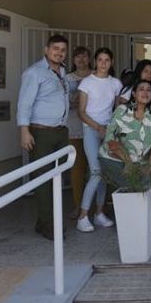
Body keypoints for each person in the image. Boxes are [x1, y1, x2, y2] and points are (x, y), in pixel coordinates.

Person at [17, 34, 71, 241]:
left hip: (60, 131)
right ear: (46, 50)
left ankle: (44, 221)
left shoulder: (62, 71)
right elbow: (24, 104)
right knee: (43, 179)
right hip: (41, 132)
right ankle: (49, 225)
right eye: (55, 48)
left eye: (63, 50)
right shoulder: (34, 73)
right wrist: (24, 130)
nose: (59, 52)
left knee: (57, 178)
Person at [76, 47, 122, 232]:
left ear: (111, 63)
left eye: (107, 60)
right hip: (91, 130)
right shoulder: (86, 83)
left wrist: (111, 129)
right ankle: (82, 216)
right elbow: (81, 112)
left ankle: (99, 213)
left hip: (108, 132)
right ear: (95, 61)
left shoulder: (116, 83)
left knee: (104, 174)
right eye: (100, 60)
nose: (103, 63)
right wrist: (98, 127)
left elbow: (118, 109)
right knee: (96, 172)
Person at [100, 78, 151, 197]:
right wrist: (128, 163)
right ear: (134, 94)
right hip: (115, 158)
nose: (145, 93)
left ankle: (140, 215)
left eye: (149, 90)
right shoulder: (122, 110)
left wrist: (149, 168)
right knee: (132, 187)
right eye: (141, 89)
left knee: (144, 188)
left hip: (139, 162)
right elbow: (110, 140)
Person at [66, 46, 91, 219]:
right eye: (77, 57)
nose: (81, 60)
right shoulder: (66, 79)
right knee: (77, 171)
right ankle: (78, 206)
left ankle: (98, 207)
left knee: (96, 171)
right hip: (74, 129)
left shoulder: (96, 76)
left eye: (84, 56)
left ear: (90, 59)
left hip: (94, 128)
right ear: (73, 60)